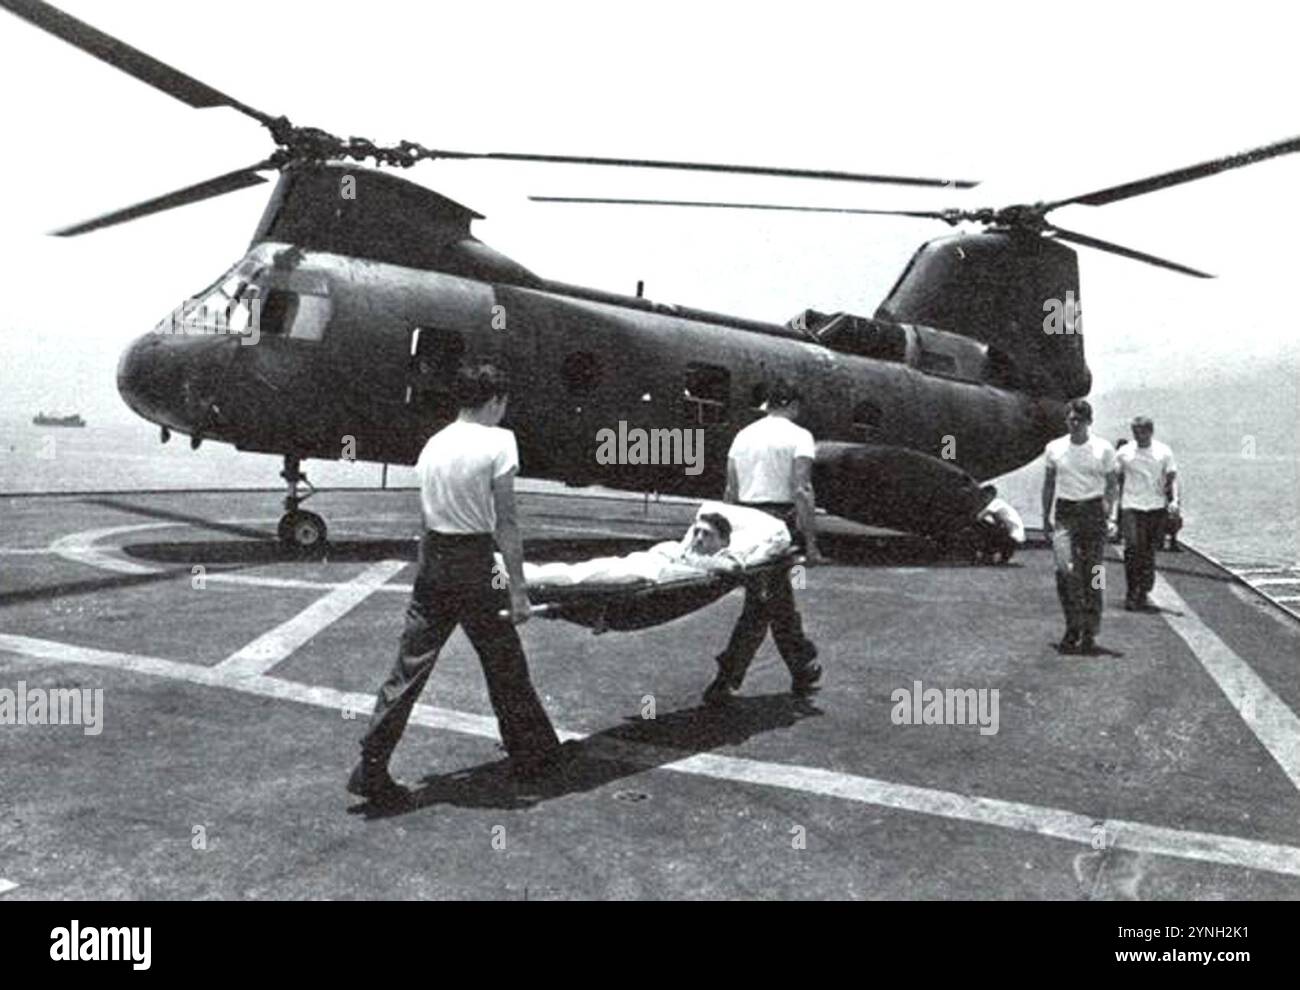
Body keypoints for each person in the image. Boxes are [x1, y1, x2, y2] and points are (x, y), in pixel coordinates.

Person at [348, 363, 563, 805]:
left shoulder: (433, 443)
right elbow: (506, 520)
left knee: (409, 665)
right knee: (504, 662)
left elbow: (426, 516)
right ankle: (533, 755)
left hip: (433, 559)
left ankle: (372, 762)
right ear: (496, 400)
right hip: (473, 560)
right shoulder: (500, 441)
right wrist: (518, 590)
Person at [704, 379, 823, 704]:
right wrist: (811, 543)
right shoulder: (800, 436)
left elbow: (730, 492)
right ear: (793, 405)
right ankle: (727, 679)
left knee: (769, 600)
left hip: (745, 520)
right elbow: (801, 490)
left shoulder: (743, 435)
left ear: (768, 404)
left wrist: (728, 538)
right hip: (778, 523)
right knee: (764, 605)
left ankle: (802, 668)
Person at [1041, 399, 1118, 655]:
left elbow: (1111, 484)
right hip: (1066, 513)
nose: (1073, 424)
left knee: (1094, 573)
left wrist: (1110, 515)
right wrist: (1045, 515)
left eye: (1078, 420)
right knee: (1064, 570)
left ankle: (1089, 630)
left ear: (1088, 421)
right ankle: (1072, 625)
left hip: (1093, 512)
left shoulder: (1103, 449)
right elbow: (1049, 483)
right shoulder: (1054, 448)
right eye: (1070, 419)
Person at [1116, 416, 1179, 610]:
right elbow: (1115, 478)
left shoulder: (1163, 452)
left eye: (1141, 431)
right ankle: (1132, 591)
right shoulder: (1124, 452)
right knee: (1132, 548)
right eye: (1135, 431)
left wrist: (1174, 500)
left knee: (1148, 552)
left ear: (1150, 431)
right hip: (1131, 506)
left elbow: (1172, 478)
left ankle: (1143, 589)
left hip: (1155, 507)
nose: (1138, 435)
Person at [973, 485, 1025, 563]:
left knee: (983, 528)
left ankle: (986, 553)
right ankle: (1000, 556)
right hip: (1016, 534)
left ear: (991, 495)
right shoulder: (1000, 504)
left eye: (984, 497)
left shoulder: (995, 503)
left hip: (1014, 535)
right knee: (991, 529)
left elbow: (979, 517)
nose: (983, 500)